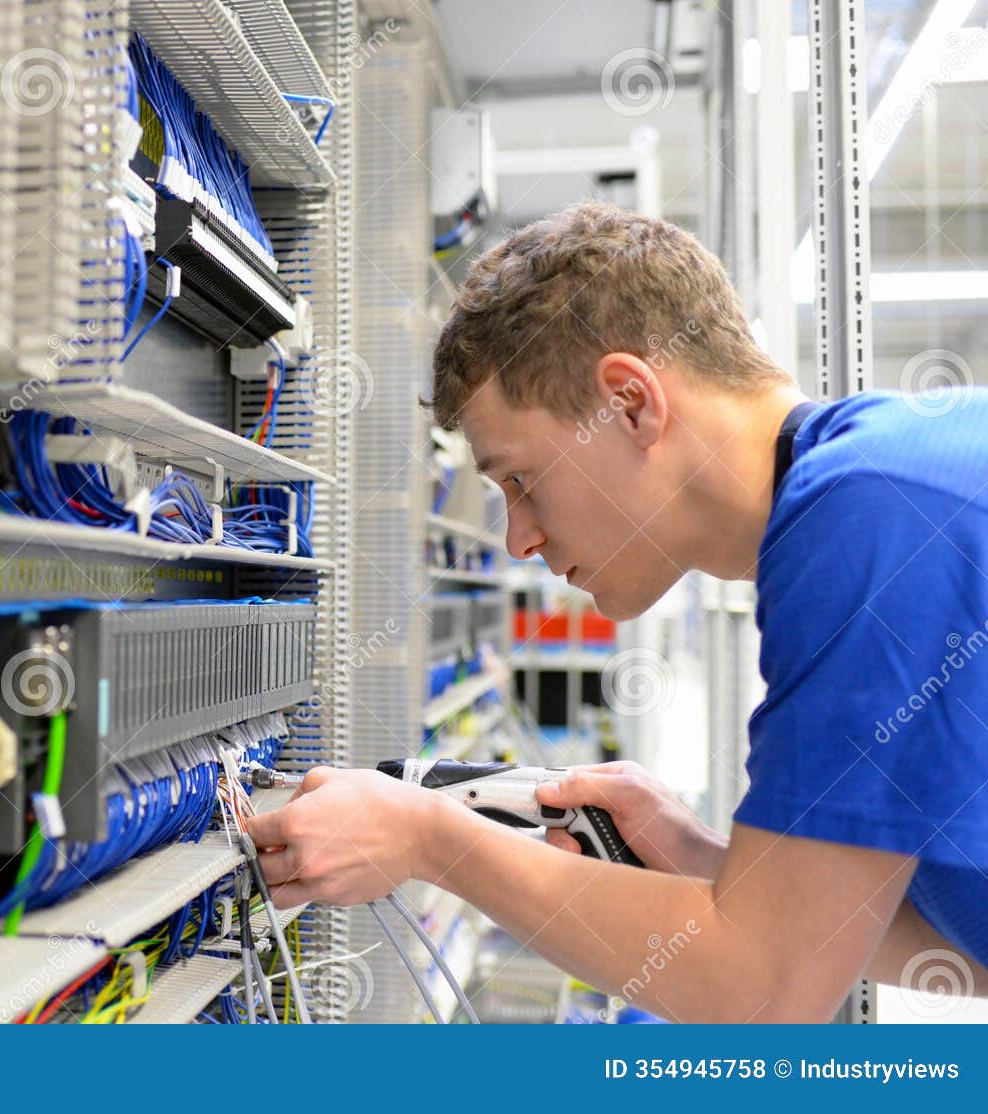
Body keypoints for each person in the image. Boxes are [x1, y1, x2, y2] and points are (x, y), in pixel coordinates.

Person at [246, 201, 988, 1022]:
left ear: (631, 403)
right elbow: (954, 952)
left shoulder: (874, 516)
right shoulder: (884, 486)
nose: (519, 539)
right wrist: (694, 856)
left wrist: (429, 840)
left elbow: (768, 994)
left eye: (520, 480)